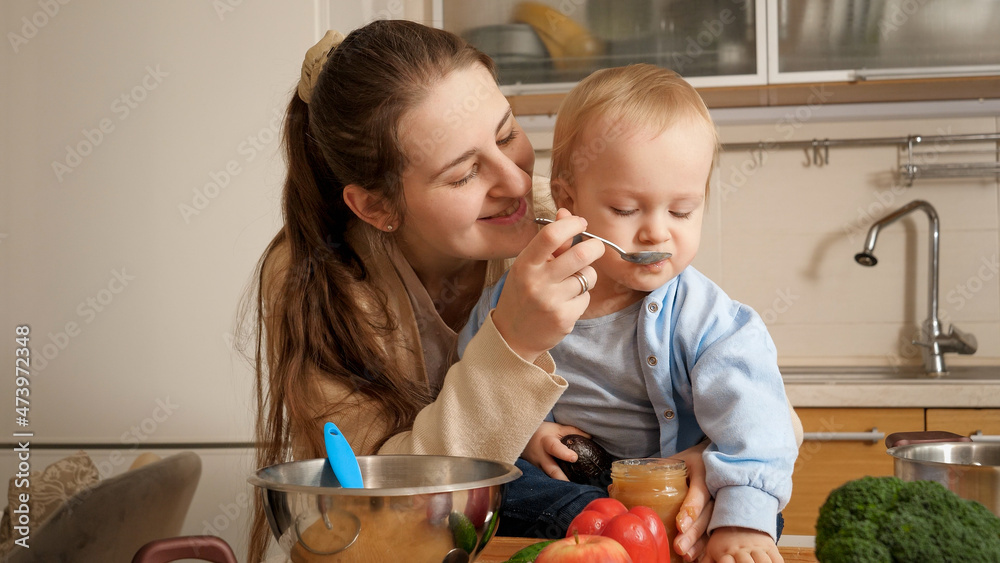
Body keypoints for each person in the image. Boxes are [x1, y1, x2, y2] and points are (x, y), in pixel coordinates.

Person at [241, 21, 730, 562]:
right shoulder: (316, 278)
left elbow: (725, 353)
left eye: (506, 134)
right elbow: (386, 505)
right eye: (463, 174)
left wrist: (709, 460)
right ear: (376, 208)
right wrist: (513, 344)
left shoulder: (557, 217)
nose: (518, 182)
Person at [458, 64, 801, 562]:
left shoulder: (710, 319)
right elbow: (479, 382)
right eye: (626, 209)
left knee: (743, 489)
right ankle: (600, 527)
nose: (657, 233)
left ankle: (674, 530)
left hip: (676, 482)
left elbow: (758, 425)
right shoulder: (521, 294)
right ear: (567, 200)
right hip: (573, 485)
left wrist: (745, 522)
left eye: (682, 211)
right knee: (504, 483)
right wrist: (528, 433)